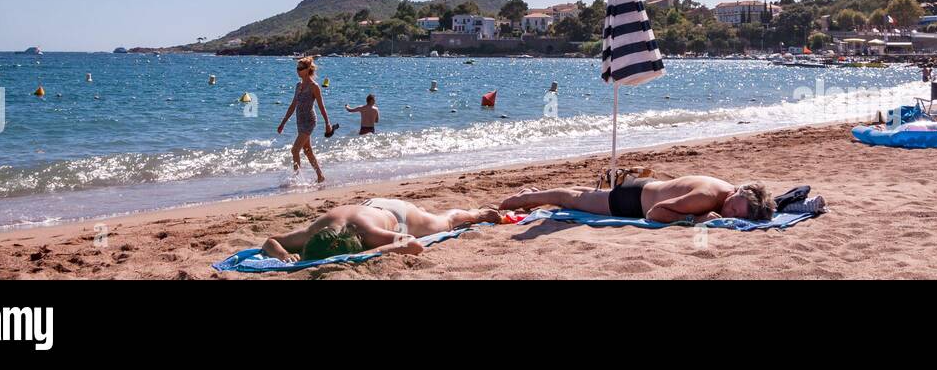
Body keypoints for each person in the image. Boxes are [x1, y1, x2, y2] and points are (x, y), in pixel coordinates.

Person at [259, 199, 502, 263]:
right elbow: (271, 240)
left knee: (446, 222)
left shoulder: (368, 233)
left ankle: (477, 213)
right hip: (370, 206)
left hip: (401, 215)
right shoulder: (314, 232)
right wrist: (283, 254)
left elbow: (411, 243)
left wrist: (365, 254)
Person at [498, 174, 776, 223]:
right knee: (569, 199)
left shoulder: (730, 190)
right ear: (738, 192)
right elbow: (655, 213)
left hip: (644, 187)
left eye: (738, 216)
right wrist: (696, 219)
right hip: (632, 201)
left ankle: (532, 194)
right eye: (734, 209)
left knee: (582, 194)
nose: (730, 215)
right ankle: (524, 200)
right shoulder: (706, 198)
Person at [277, 57, 335, 182]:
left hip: (309, 121)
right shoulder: (298, 86)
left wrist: (327, 123)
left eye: (301, 68)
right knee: (307, 150)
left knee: (295, 150)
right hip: (300, 121)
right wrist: (283, 123)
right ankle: (320, 176)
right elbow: (293, 105)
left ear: (308, 69)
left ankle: (296, 178)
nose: (298, 70)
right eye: (297, 68)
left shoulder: (314, 86)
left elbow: (321, 106)